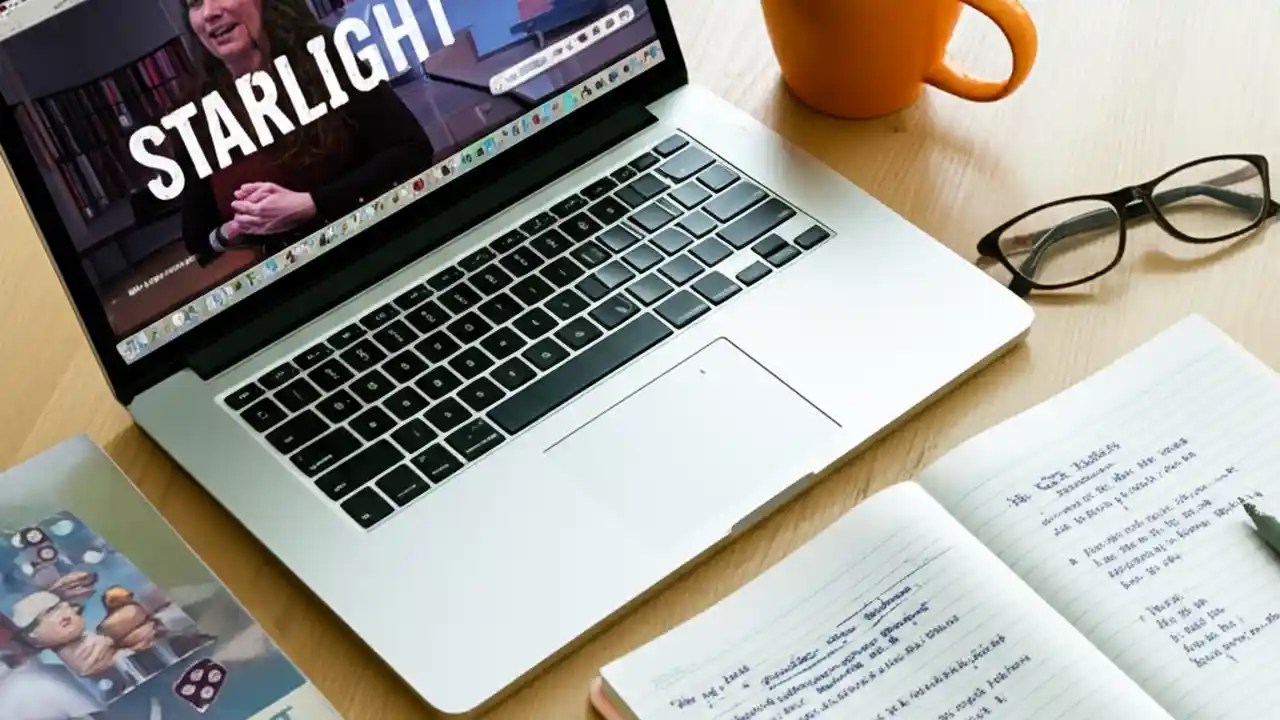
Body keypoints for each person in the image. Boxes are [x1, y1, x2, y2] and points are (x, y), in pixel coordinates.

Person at [179, 0, 433, 266]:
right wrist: (238, 228)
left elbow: (412, 152)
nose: (209, 12)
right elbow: (199, 241)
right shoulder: (195, 111)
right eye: (195, 4)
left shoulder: (322, 53)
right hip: (294, 278)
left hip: (384, 248)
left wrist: (312, 204)